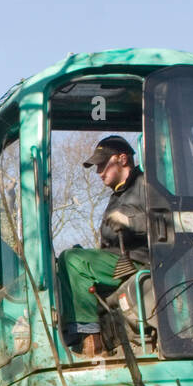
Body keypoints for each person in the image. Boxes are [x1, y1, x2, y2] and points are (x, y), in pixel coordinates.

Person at [56, 135, 150, 355]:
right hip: (115, 259)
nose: (98, 172)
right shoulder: (117, 195)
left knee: (73, 259)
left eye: (102, 164)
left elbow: (165, 220)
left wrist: (130, 222)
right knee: (67, 262)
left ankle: (91, 339)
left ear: (122, 159)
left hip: (136, 261)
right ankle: (73, 335)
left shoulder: (145, 185)